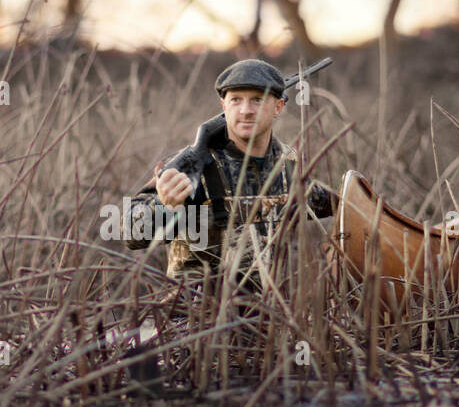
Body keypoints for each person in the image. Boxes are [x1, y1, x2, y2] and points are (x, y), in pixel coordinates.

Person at [124, 58, 335, 287]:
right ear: (224, 105)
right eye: (236, 100)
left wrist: (361, 202)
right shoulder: (192, 165)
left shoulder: (288, 166)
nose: (246, 111)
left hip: (267, 315)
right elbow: (131, 234)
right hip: (195, 315)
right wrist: (165, 206)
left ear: (278, 107)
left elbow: (331, 203)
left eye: (257, 100)